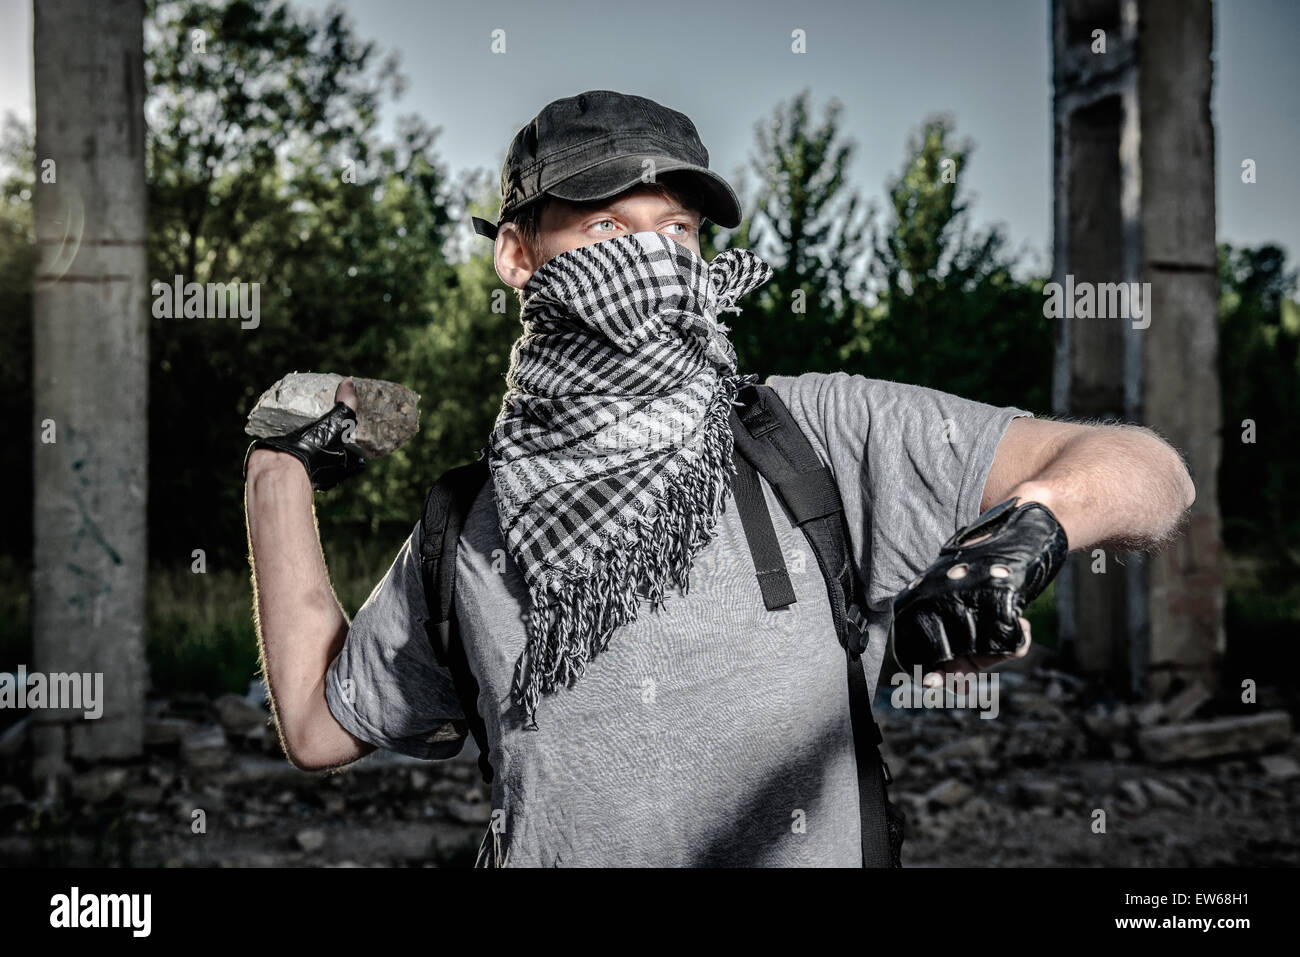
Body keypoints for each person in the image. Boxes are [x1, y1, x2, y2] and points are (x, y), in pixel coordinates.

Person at [243, 90, 1195, 867]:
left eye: (678, 235)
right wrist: (276, 467)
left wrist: (1027, 530)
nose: (651, 264)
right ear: (516, 253)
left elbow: (1150, 471)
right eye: (608, 226)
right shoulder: (471, 523)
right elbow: (322, 725)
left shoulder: (812, 435)